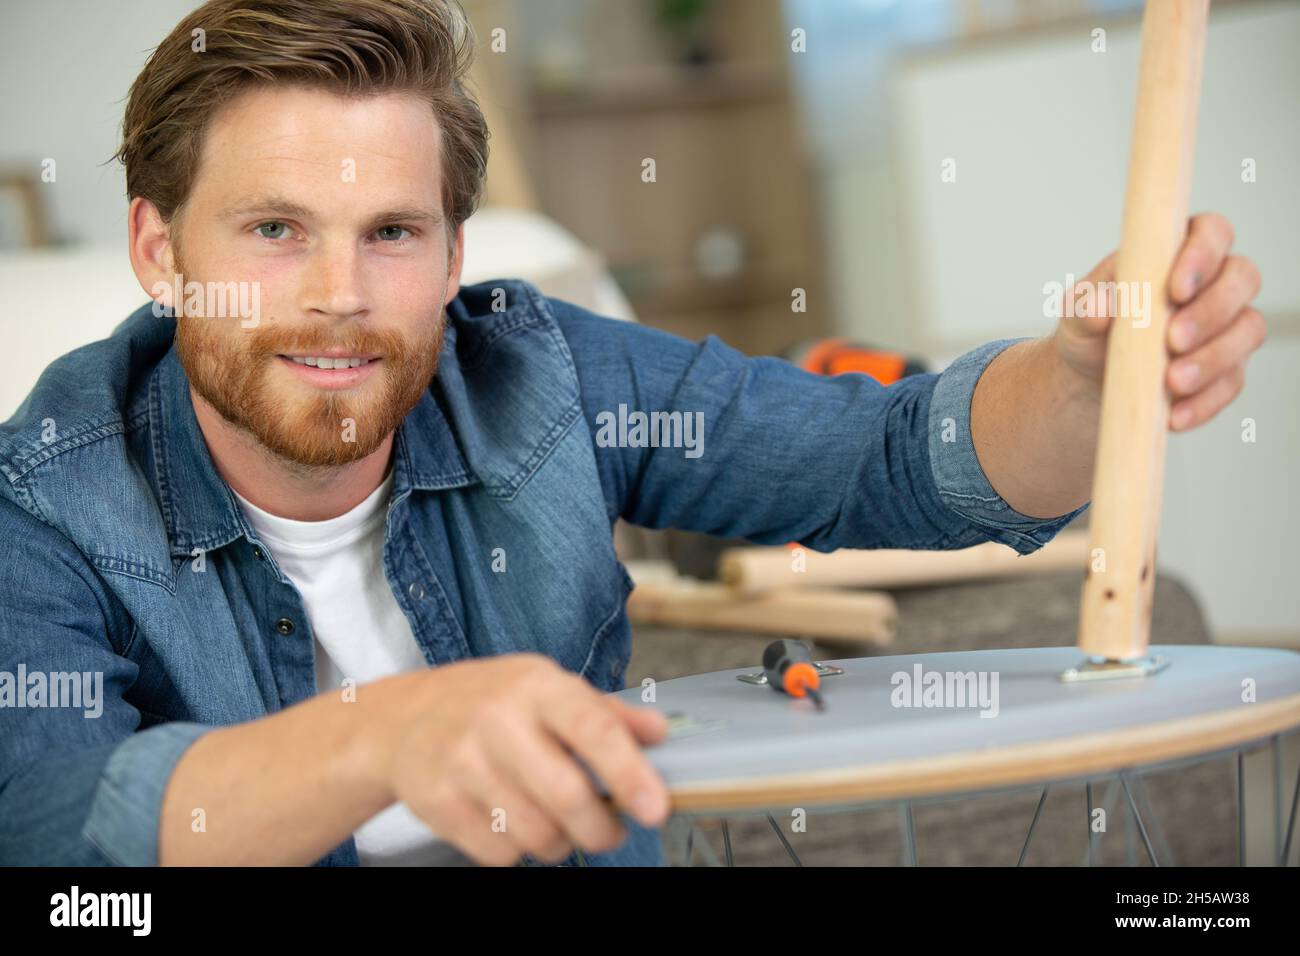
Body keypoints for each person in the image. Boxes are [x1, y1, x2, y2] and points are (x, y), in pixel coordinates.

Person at [0, 0, 1265, 867]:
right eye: (275, 230)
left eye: (392, 231)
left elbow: (881, 458)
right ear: (159, 250)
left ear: (450, 252)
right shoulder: (45, 497)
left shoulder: (540, 370)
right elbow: (53, 830)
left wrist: (1081, 380)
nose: (342, 291)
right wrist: (385, 734)